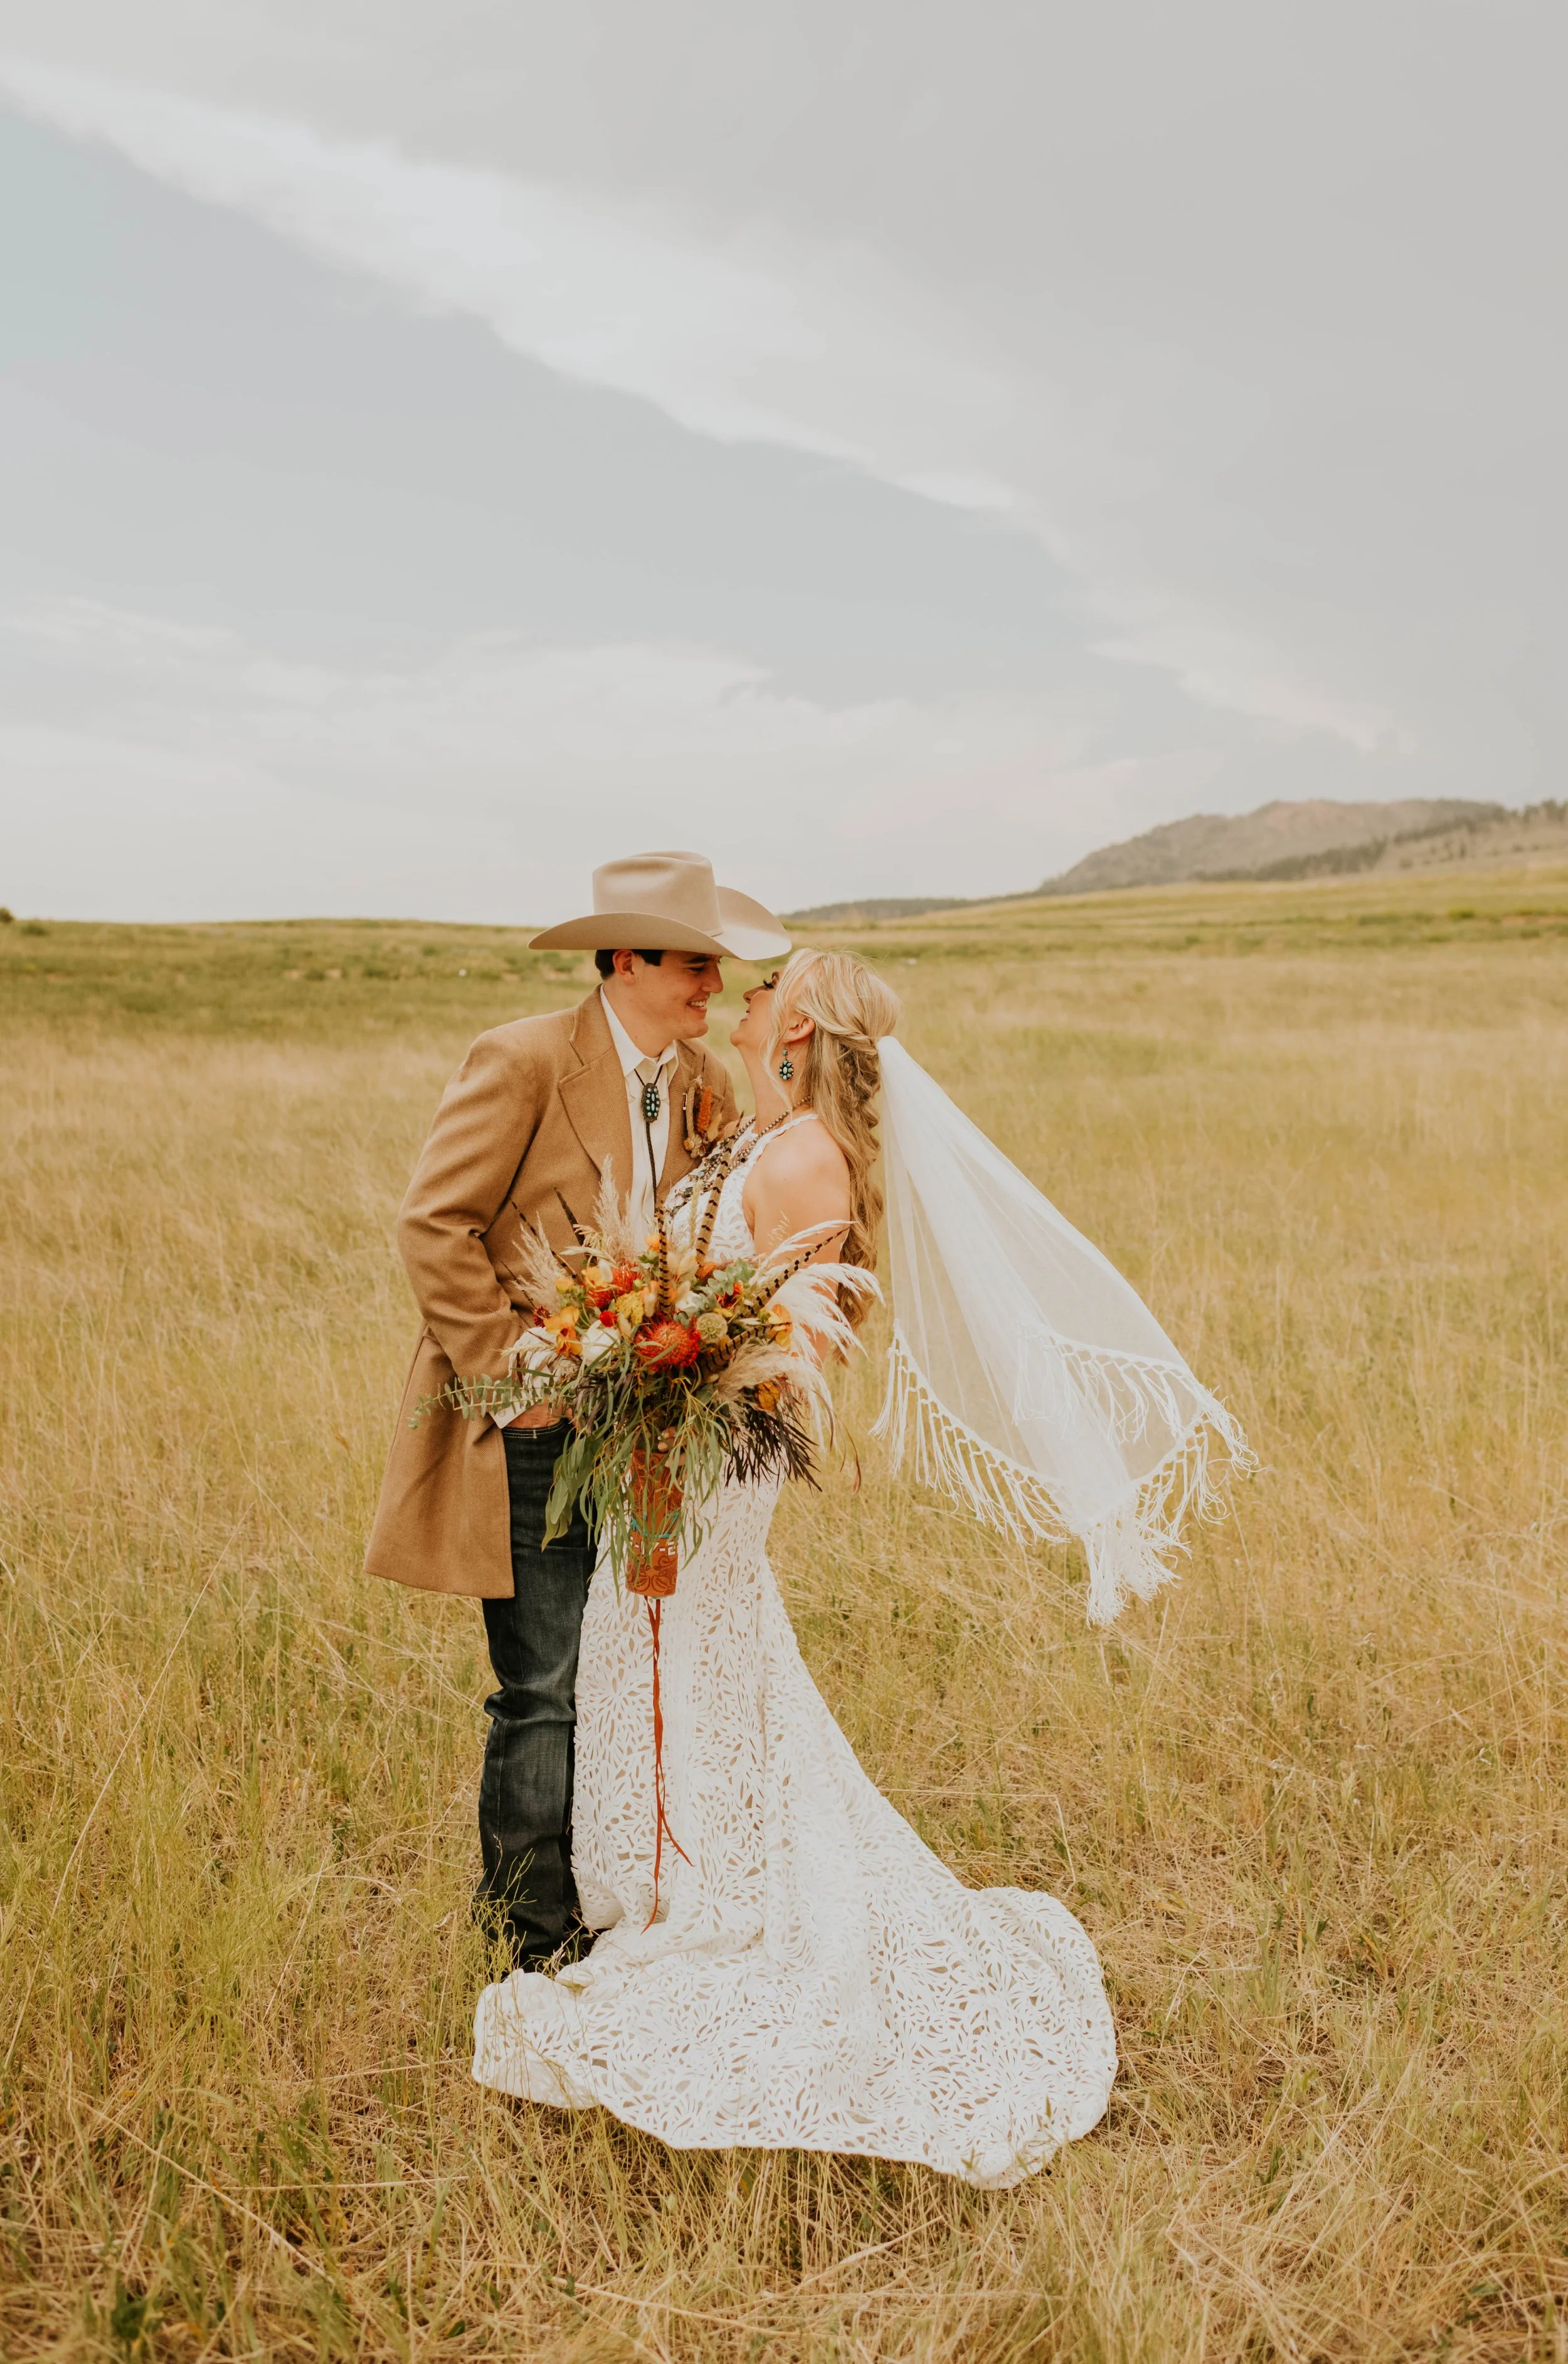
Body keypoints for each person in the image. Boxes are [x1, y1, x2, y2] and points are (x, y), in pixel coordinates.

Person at [471, 945, 1249, 2186]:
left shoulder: (800, 1158)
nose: (735, 1002)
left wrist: (667, 1403)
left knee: (695, 1659)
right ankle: (667, 1891)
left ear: (797, 1028)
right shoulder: (759, 1139)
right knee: (665, 1665)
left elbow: (790, 1352)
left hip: (710, 1464)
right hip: (671, 1448)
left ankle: (714, 1908)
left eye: (760, 990)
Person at [364, 850, 790, 1973]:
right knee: (543, 1687)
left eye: (715, 964)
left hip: (649, 1437)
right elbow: (432, 1227)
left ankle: (618, 1902)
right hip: (532, 1431)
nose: (711, 981)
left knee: (623, 1672)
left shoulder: (701, 1081)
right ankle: (532, 1945)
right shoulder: (523, 1059)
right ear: (626, 957)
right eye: (695, 961)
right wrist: (517, 1384)